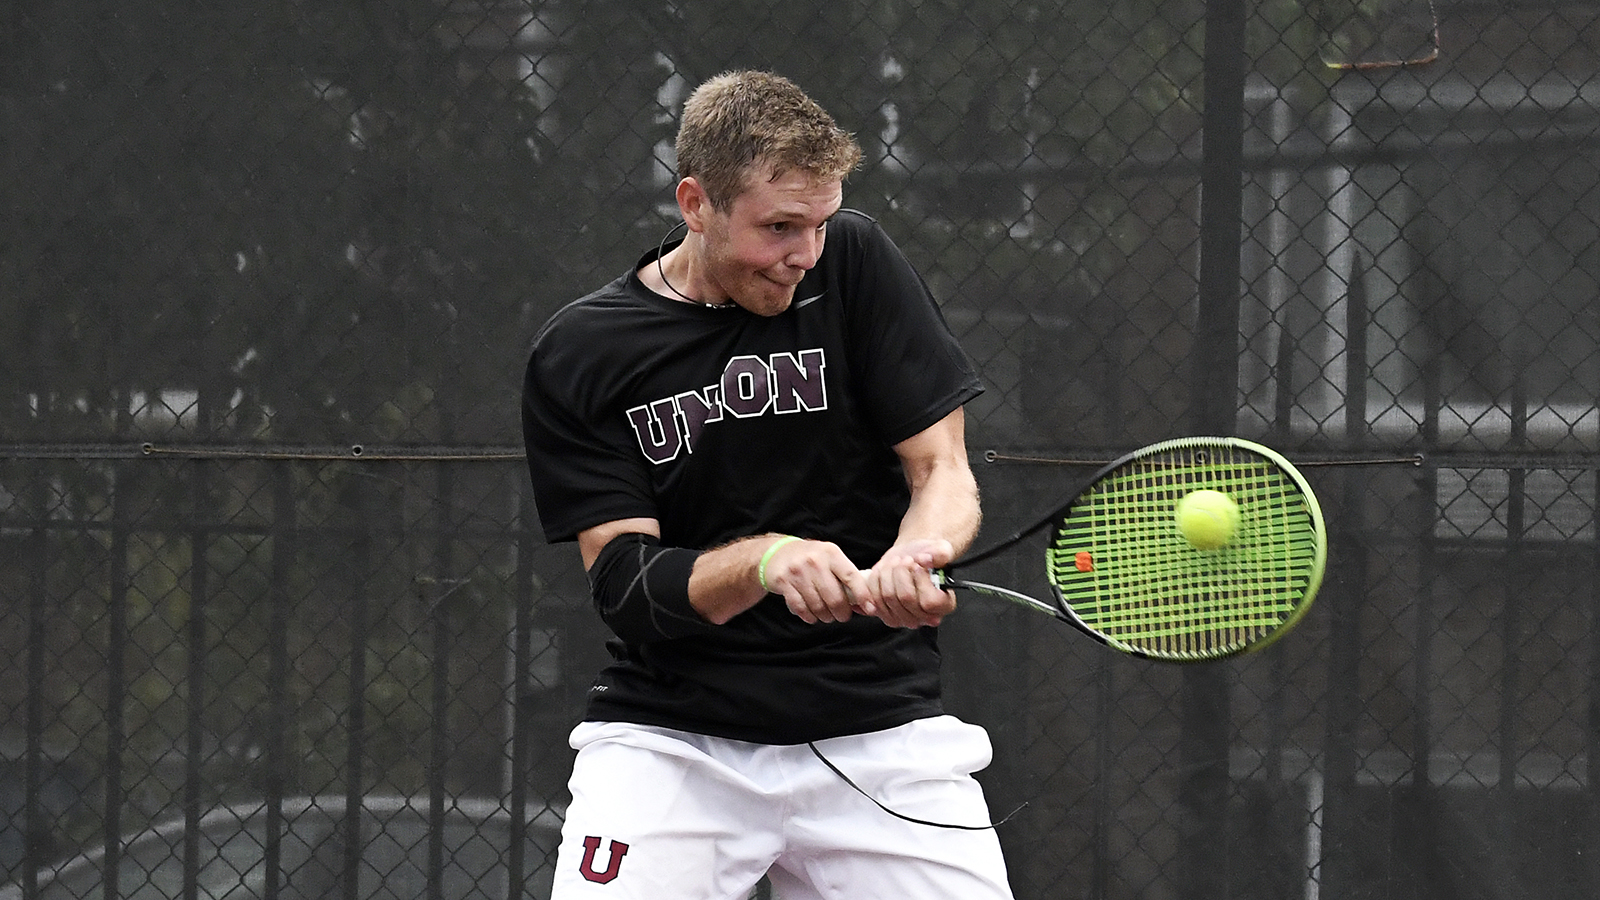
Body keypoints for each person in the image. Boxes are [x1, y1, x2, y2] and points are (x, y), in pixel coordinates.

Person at [521, 69, 1013, 900]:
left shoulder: (853, 264)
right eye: (778, 227)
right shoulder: (582, 352)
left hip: (877, 724)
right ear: (695, 203)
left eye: (818, 223)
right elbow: (624, 585)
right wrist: (765, 561)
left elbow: (941, 469)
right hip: (675, 739)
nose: (802, 256)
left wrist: (917, 550)